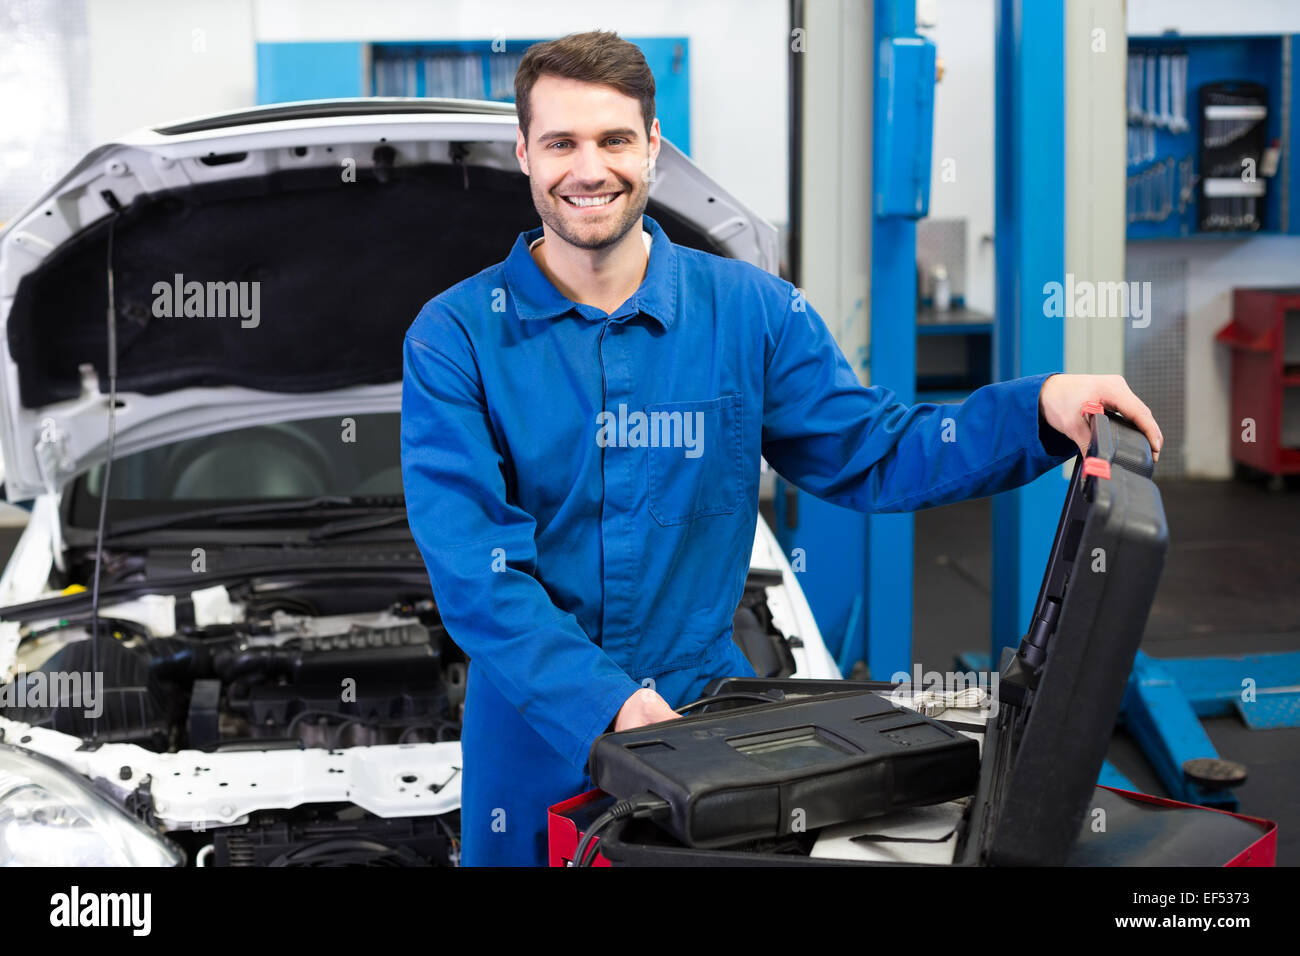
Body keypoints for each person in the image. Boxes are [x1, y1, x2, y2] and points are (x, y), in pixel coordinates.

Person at [399, 30, 1163, 867]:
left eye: (615, 139)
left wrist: (1038, 411)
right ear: (525, 154)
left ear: (653, 146)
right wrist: (603, 702)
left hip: (707, 721)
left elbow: (873, 449)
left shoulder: (753, 312)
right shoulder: (455, 337)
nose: (590, 169)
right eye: (562, 143)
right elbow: (479, 569)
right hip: (533, 728)